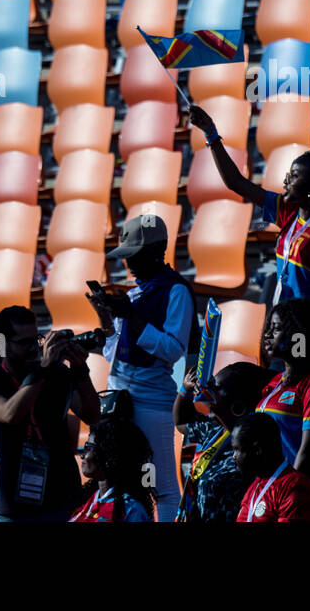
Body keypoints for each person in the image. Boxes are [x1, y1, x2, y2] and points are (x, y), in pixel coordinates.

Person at [190, 104, 310, 360]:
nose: (286, 179)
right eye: (288, 173)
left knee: (304, 385)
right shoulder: (287, 212)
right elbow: (236, 182)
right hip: (283, 326)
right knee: (284, 386)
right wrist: (211, 134)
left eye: (295, 176)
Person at [90, 213, 193, 522]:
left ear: (156, 251)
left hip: (152, 404)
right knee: (117, 484)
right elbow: (115, 352)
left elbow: (173, 349)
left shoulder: (177, 291)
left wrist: (131, 316)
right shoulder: (134, 293)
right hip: (119, 399)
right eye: (125, 257)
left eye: (134, 255)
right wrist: (106, 318)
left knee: (161, 487)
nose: (128, 264)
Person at [0, 304, 101, 522]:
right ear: (2, 343)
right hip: (16, 505)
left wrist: (80, 370)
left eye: (35, 340)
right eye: (24, 343)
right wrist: (42, 370)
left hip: (64, 496)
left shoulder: (57, 374)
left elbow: (92, 415)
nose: (33, 348)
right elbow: (10, 414)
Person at [255, 298, 310, 521]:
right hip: (274, 490)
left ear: (298, 336)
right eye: (268, 328)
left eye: (277, 329)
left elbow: (309, 450)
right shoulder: (274, 383)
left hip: (304, 490)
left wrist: (287, 491)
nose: (268, 335)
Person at [173, 362, 274, 522]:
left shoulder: (255, 441)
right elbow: (180, 422)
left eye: (218, 390)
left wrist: (220, 411)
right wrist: (185, 390)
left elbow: (242, 439)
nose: (210, 394)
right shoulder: (214, 429)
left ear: (238, 403)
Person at [232, 413, 310, 522]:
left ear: (257, 450)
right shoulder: (255, 487)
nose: (234, 456)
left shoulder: (295, 487)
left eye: (238, 449)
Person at [69, 415, 155, 522]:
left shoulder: (131, 510)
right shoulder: (86, 502)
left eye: (89, 448)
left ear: (109, 455)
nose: (82, 456)